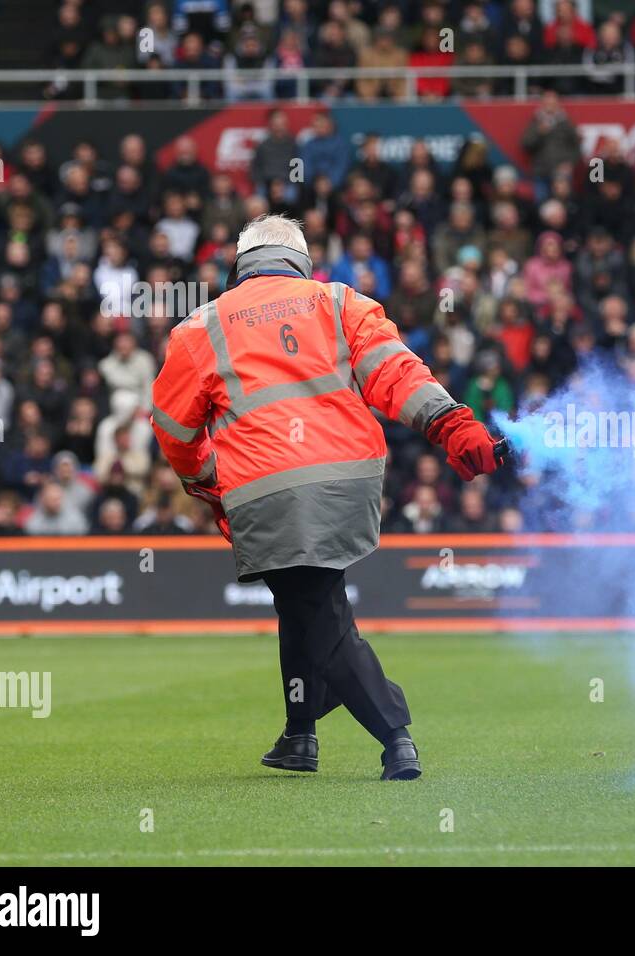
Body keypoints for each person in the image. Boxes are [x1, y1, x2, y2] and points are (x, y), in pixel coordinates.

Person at [150, 215, 500, 782]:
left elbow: (172, 426)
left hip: (266, 488)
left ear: (241, 265)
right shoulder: (340, 303)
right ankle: (299, 735)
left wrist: (207, 480)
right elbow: (396, 374)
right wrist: (449, 423)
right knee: (304, 601)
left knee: (321, 614)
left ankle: (395, 736)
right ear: (301, 260)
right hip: (351, 480)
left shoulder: (201, 327)